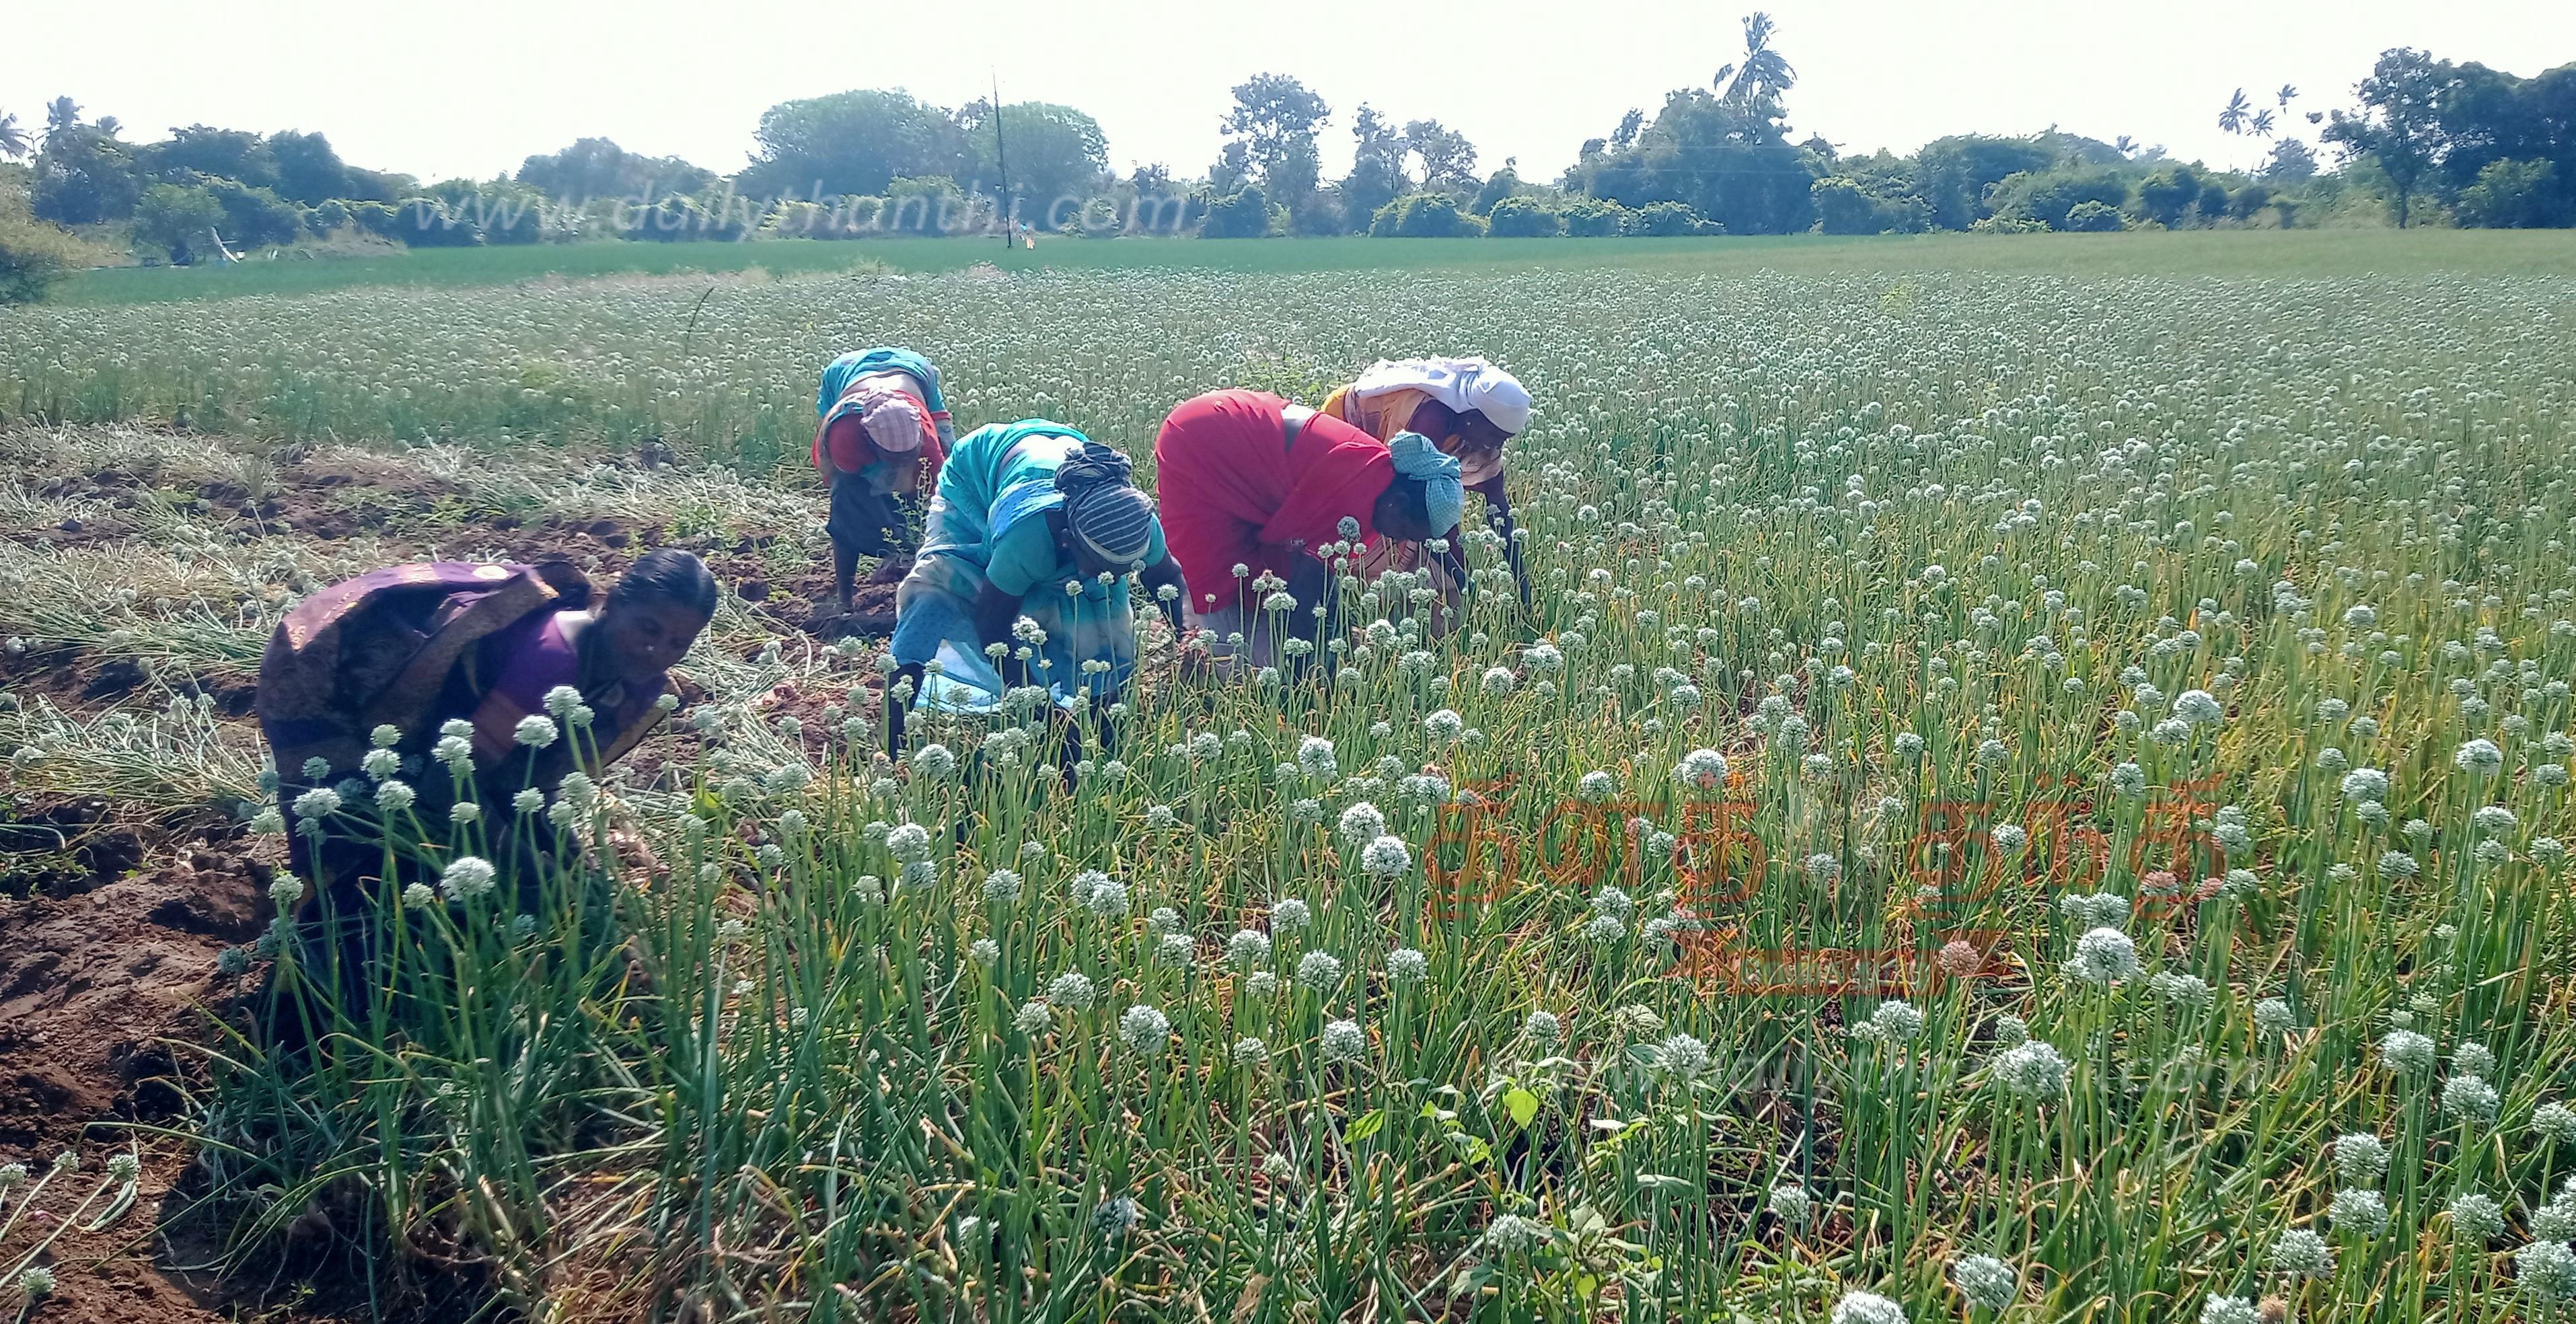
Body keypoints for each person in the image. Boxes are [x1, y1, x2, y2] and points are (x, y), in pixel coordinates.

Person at [258, 550, 718, 891]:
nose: (658, 651)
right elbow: (448, 783)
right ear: (614, 603)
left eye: (679, 642)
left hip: (453, 731)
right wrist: (537, 873)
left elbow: (524, 786)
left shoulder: (635, 683)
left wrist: (572, 865)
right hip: (329, 667)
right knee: (356, 855)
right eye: (648, 628)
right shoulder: (552, 658)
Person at [885, 420, 1187, 755]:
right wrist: (1038, 705)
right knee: (937, 596)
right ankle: (893, 735)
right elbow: (992, 623)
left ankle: (1103, 726)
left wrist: (1188, 640)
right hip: (977, 479)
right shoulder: (1028, 538)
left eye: (1123, 572)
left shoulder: (1135, 524)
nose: (1112, 577)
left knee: (1102, 615)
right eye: (1101, 568)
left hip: (1069, 463)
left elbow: (1166, 578)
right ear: (1067, 541)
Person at [1152, 388, 1463, 667]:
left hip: (1234, 421)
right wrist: (1305, 675)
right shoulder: (1354, 495)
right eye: (1406, 530)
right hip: (1206, 442)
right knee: (1218, 609)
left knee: (1252, 593)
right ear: (1398, 503)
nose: (1398, 539)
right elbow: (1303, 592)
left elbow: (1320, 581)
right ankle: (1187, 646)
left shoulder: (1378, 474)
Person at [1317, 357, 1534, 604]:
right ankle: (1337, 591)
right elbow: (1423, 510)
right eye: (1494, 436)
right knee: (1370, 517)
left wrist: (1521, 584)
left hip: (1402, 450)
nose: (1497, 446)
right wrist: (1463, 580)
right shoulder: (1430, 420)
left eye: (1505, 438)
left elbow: (1499, 511)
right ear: (1472, 417)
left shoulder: (1478, 438)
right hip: (1344, 422)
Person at [813, 348, 956, 611]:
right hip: (845, 370)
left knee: (942, 474)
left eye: (908, 458)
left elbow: (939, 501)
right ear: (870, 443)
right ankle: (844, 595)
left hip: (914, 368)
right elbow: (844, 494)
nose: (904, 464)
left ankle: (918, 579)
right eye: (894, 458)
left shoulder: (927, 444)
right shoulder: (846, 437)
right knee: (846, 505)